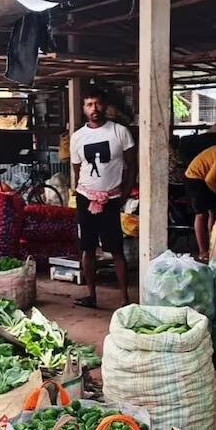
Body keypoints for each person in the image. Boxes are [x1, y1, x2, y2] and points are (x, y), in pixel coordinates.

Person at [70, 85, 135, 308]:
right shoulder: (77, 137)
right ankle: (91, 295)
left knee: (116, 249)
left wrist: (124, 194)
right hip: (85, 198)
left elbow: (131, 166)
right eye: (89, 104)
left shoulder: (120, 132)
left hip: (111, 199)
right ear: (83, 108)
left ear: (104, 105)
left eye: (97, 103)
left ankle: (125, 298)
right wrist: (83, 191)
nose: (94, 108)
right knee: (87, 248)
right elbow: (77, 170)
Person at [183, 142, 216, 262]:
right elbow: (210, 180)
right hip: (194, 178)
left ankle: (212, 246)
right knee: (201, 214)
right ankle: (202, 251)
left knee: (213, 212)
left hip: (205, 179)